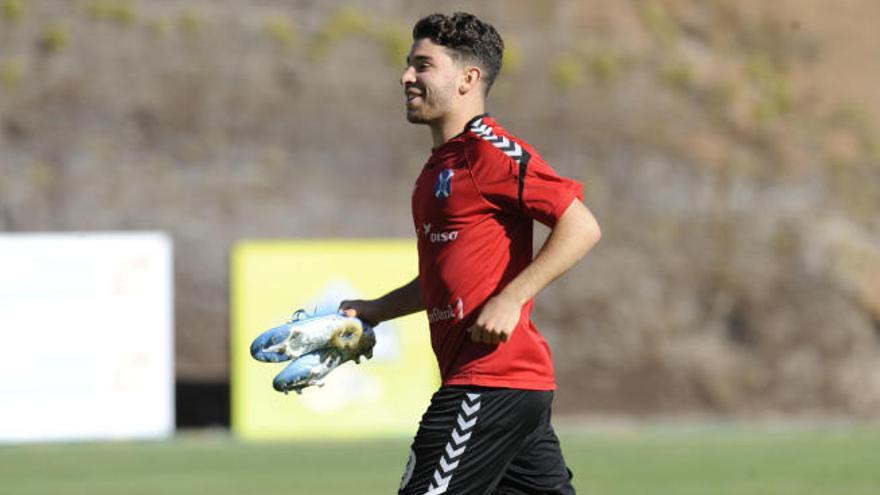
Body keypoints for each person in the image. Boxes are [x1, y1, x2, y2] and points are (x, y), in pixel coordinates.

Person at [340, 12, 601, 495]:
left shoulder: (490, 152)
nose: (406, 77)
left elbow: (581, 226)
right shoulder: (435, 171)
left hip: (489, 381)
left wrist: (511, 298)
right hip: (510, 388)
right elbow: (445, 277)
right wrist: (378, 310)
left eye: (422, 65)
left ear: (468, 78)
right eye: (407, 64)